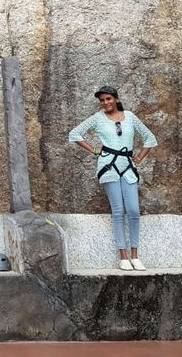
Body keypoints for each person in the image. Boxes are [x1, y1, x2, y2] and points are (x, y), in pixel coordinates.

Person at [69, 86, 158, 271]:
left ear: (116, 99)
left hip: (128, 167)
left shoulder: (130, 117)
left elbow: (149, 138)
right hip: (109, 166)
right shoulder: (97, 118)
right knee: (118, 211)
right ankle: (123, 256)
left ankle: (135, 255)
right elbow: (74, 134)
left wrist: (139, 157)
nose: (105, 103)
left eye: (108, 99)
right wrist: (94, 150)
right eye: (102, 100)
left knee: (133, 210)